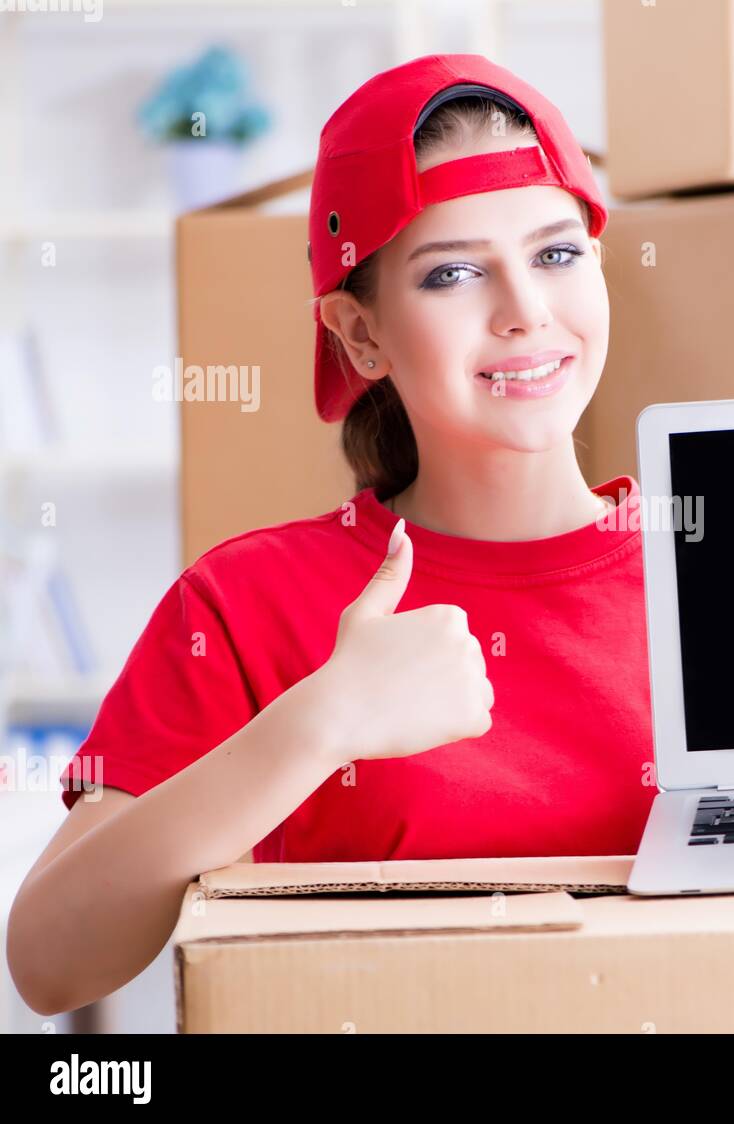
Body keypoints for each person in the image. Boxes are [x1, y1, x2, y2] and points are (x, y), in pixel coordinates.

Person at [7, 55, 655, 1018]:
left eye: (558, 254)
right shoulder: (247, 601)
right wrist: (321, 726)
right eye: (454, 273)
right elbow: (51, 961)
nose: (526, 313)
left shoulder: (719, 572)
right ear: (361, 335)